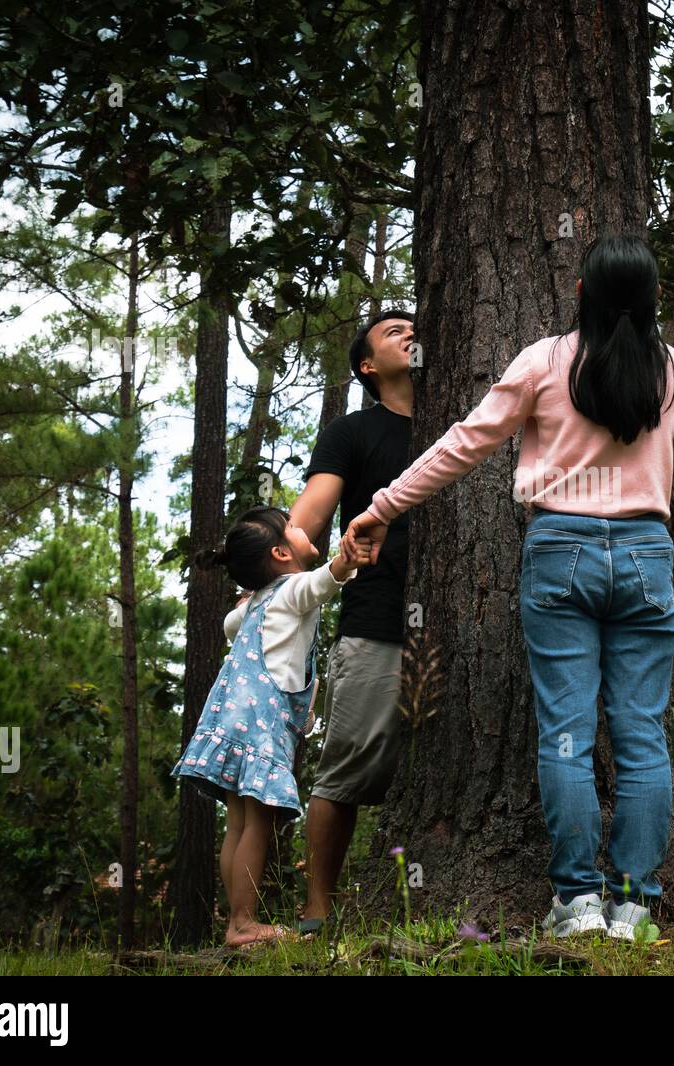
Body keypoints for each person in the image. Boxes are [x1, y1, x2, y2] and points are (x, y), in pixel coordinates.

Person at [346, 234, 674, 940]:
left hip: (561, 551)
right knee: (641, 736)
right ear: (653, 300)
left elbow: (464, 442)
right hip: (643, 555)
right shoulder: (672, 373)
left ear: (581, 294)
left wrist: (382, 505)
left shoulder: (545, 360)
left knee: (568, 735)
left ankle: (576, 904)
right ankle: (633, 906)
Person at [172, 506, 370, 948]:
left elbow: (228, 625)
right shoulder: (293, 589)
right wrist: (348, 557)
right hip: (261, 723)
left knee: (238, 824)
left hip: (230, 716)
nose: (304, 526)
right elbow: (326, 580)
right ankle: (243, 923)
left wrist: (248, 599)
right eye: (295, 528)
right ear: (281, 553)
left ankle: (235, 920)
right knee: (258, 821)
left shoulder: (256, 602)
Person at [287, 310, 416, 938]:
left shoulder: (464, 425)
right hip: (377, 623)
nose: (411, 333)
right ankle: (318, 911)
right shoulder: (351, 432)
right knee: (345, 770)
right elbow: (307, 516)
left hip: (472, 625)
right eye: (394, 332)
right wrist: (291, 554)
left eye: (416, 326)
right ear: (367, 366)